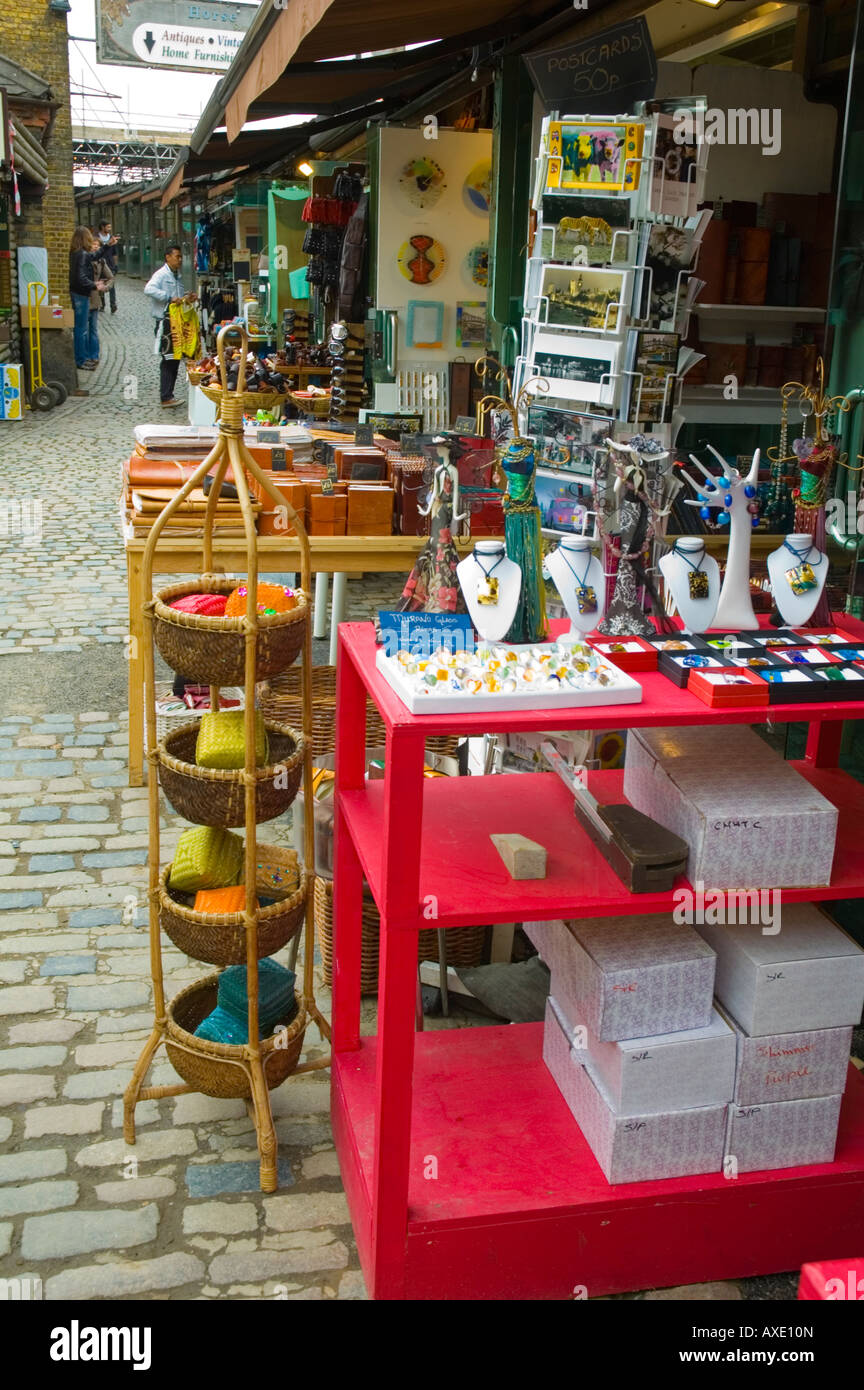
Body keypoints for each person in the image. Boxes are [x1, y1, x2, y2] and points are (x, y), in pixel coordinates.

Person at [144, 243, 196, 408]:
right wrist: (168, 297)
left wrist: (186, 298)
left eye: (181, 257)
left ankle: (169, 395)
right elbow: (149, 289)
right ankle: (165, 396)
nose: (179, 260)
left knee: (175, 359)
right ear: (168, 257)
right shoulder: (161, 274)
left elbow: (178, 299)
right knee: (168, 359)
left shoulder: (176, 276)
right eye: (177, 256)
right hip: (165, 323)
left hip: (176, 322)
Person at [69, 226, 108, 371]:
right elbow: (80, 278)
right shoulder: (81, 254)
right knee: (81, 329)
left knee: (81, 328)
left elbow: (94, 256)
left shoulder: (77, 253)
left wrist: (106, 246)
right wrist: (94, 285)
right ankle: (81, 360)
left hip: (77, 293)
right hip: (80, 294)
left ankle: (83, 358)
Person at [97, 219, 119, 313]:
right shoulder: (96, 238)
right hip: (100, 263)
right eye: (108, 227)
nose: (109, 229)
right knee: (101, 283)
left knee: (111, 284)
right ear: (102, 227)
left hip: (110, 264)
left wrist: (115, 264)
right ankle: (102, 304)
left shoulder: (112, 238)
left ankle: (113, 304)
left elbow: (115, 253)